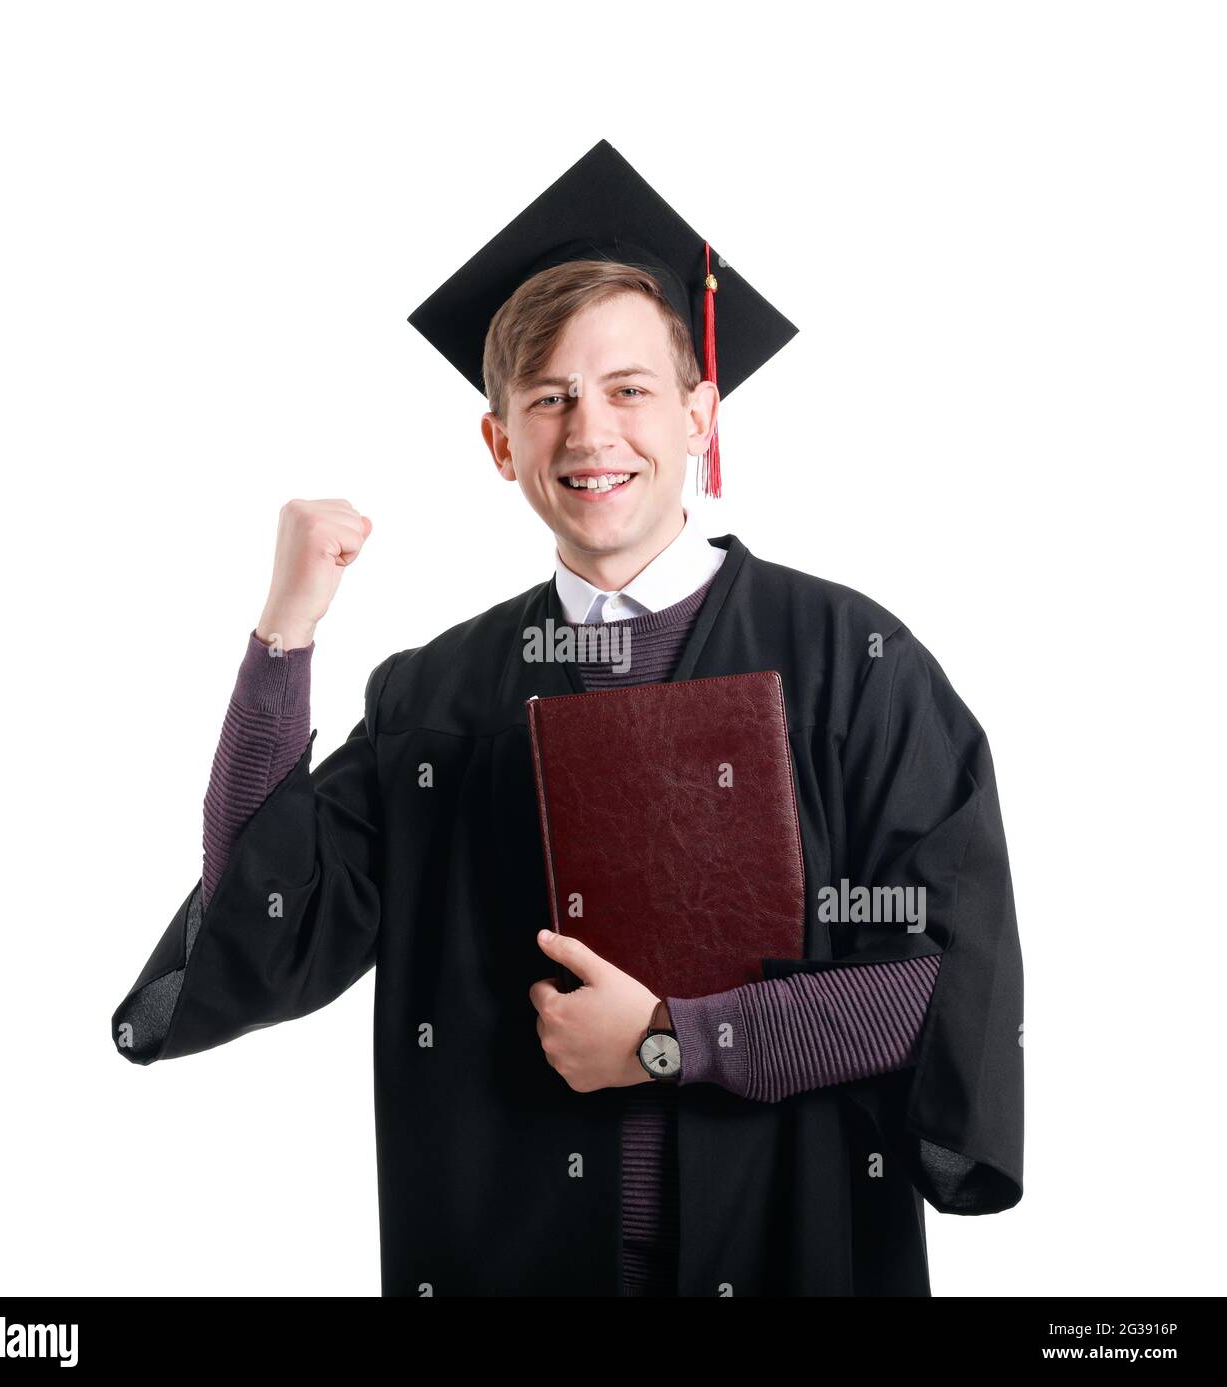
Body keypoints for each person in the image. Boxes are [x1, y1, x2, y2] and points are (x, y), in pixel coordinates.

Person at [112, 139, 1024, 1297]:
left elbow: (937, 987)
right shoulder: (437, 698)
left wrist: (672, 1040)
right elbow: (263, 914)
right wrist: (284, 634)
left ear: (701, 413)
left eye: (629, 389)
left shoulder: (855, 665)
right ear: (500, 443)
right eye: (548, 398)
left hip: (793, 1250)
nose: (590, 433)